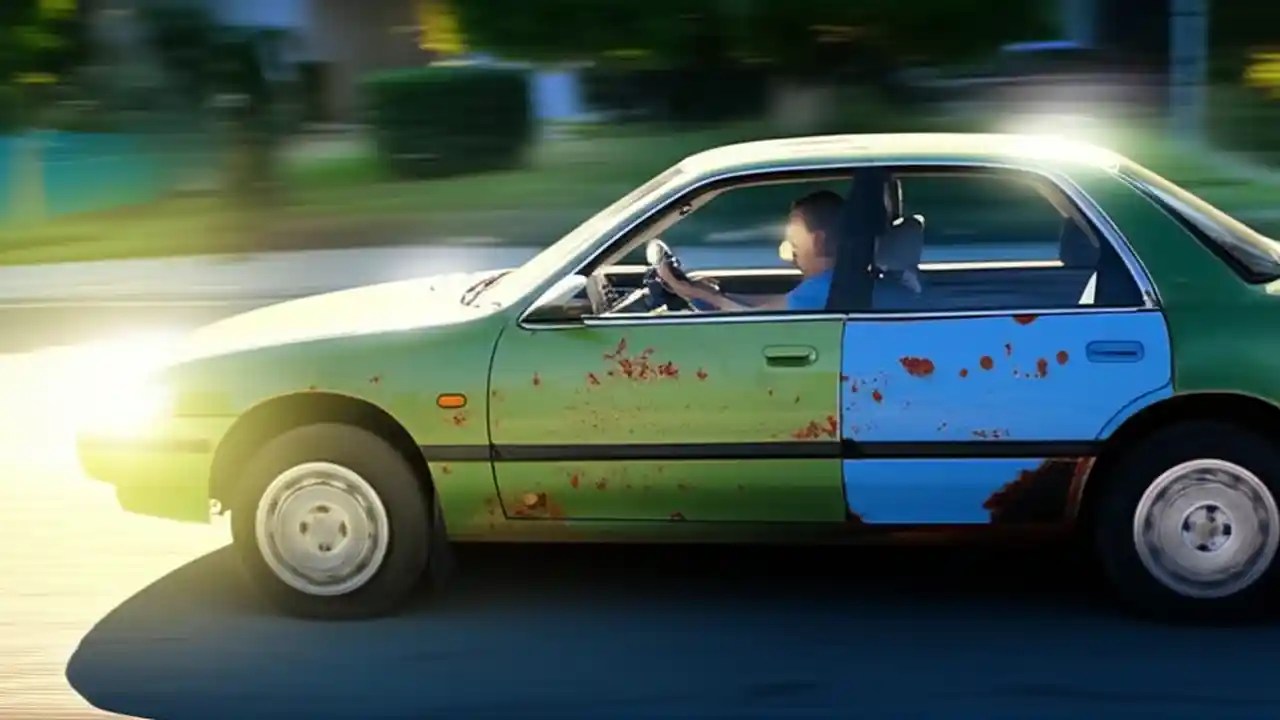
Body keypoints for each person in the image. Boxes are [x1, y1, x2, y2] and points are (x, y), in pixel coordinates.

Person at [656, 190, 843, 312]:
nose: (789, 250)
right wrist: (710, 294)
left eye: (795, 243)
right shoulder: (832, 281)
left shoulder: (823, 288)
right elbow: (776, 303)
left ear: (819, 241)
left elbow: (755, 317)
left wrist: (698, 294)